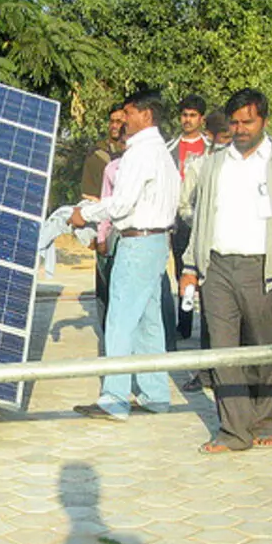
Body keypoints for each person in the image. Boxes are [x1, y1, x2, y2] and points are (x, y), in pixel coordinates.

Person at [180, 88, 272, 452]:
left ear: (264, 121)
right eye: (235, 122)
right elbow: (201, 219)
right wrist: (190, 266)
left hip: (263, 270)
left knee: (260, 350)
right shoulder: (214, 163)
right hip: (217, 268)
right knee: (223, 353)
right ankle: (234, 431)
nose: (240, 129)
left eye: (247, 121)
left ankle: (265, 418)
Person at [69, 89, 180, 421]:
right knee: (149, 323)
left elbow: (120, 204)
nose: (123, 121)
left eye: (128, 113)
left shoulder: (138, 154)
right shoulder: (163, 154)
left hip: (135, 243)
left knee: (119, 321)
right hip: (157, 242)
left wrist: (84, 214)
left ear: (145, 115)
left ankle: (114, 399)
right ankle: (155, 394)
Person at [168, 94, 210, 344]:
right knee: (182, 272)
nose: (188, 119)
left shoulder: (212, 148)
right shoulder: (170, 149)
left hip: (205, 218)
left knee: (208, 275)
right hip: (179, 221)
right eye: (184, 115)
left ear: (201, 119)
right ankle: (184, 325)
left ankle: (209, 325)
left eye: (193, 115)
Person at [81, 105, 126, 331]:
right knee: (105, 285)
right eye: (112, 121)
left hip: (127, 231)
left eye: (120, 121)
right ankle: (107, 330)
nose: (116, 125)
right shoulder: (96, 156)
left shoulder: (134, 155)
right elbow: (88, 196)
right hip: (103, 229)